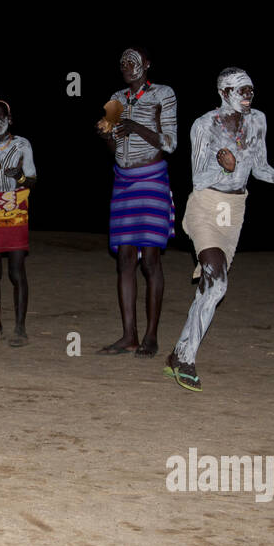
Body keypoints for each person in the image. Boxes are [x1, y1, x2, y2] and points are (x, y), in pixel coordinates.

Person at [164, 68, 274, 391]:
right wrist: (223, 166)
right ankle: (187, 360)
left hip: (234, 211)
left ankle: (177, 352)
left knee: (209, 285)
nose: (247, 96)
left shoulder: (257, 120)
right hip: (205, 205)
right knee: (217, 281)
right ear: (223, 92)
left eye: (250, 91)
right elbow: (199, 179)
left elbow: (258, 168)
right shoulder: (204, 126)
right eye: (240, 90)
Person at [97, 47, 177, 356]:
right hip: (123, 181)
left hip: (152, 179)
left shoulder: (163, 94)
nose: (127, 67)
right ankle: (129, 334)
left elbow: (170, 143)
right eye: (122, 63)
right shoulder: (116, 99)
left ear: (146, 64)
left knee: (151, 260)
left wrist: (137, 127)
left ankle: (151, 336)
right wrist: (107, 136)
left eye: (133, 62)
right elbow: (115, 147)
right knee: (125, 260)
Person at [0, 99, 37, 346]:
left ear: (10, 119)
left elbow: (32, 182)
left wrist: (21, 176)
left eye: (1, 116)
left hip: (15, 207)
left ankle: (20, 328)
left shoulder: (22, 144)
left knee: (16, 271)